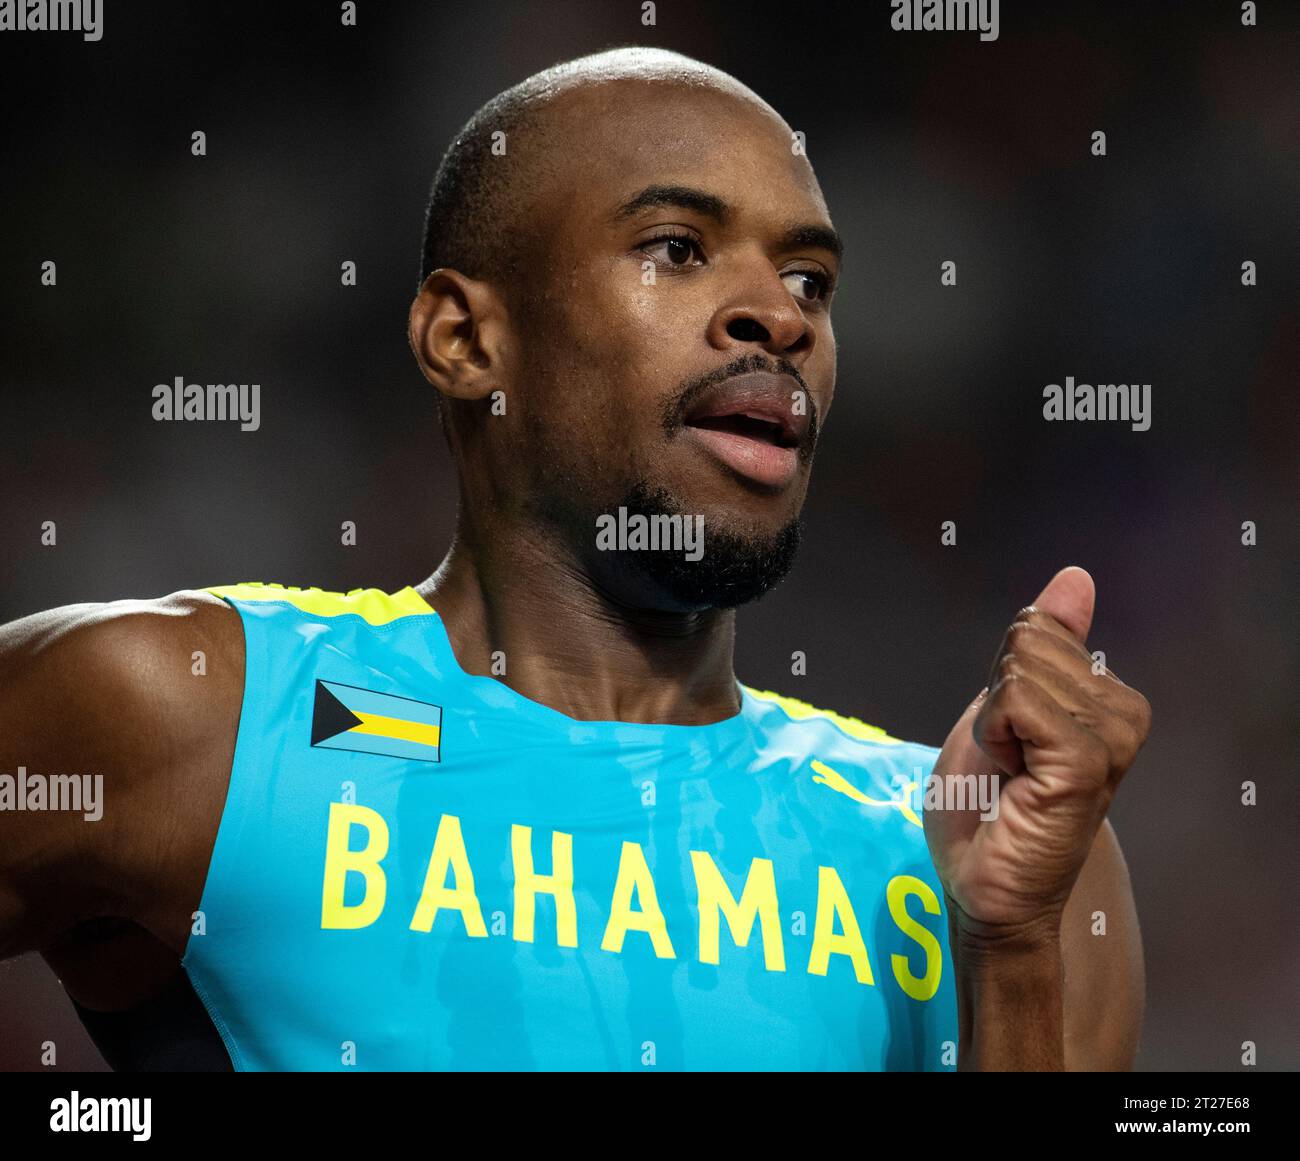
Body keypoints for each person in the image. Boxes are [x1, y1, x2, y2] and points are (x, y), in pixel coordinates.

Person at [0, 46, 1148, 1071]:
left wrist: (1007, 949)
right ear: (466, 340)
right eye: (676, 248)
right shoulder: (182, 716)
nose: (779, 317)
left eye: (809, 280)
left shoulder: (988, 850)